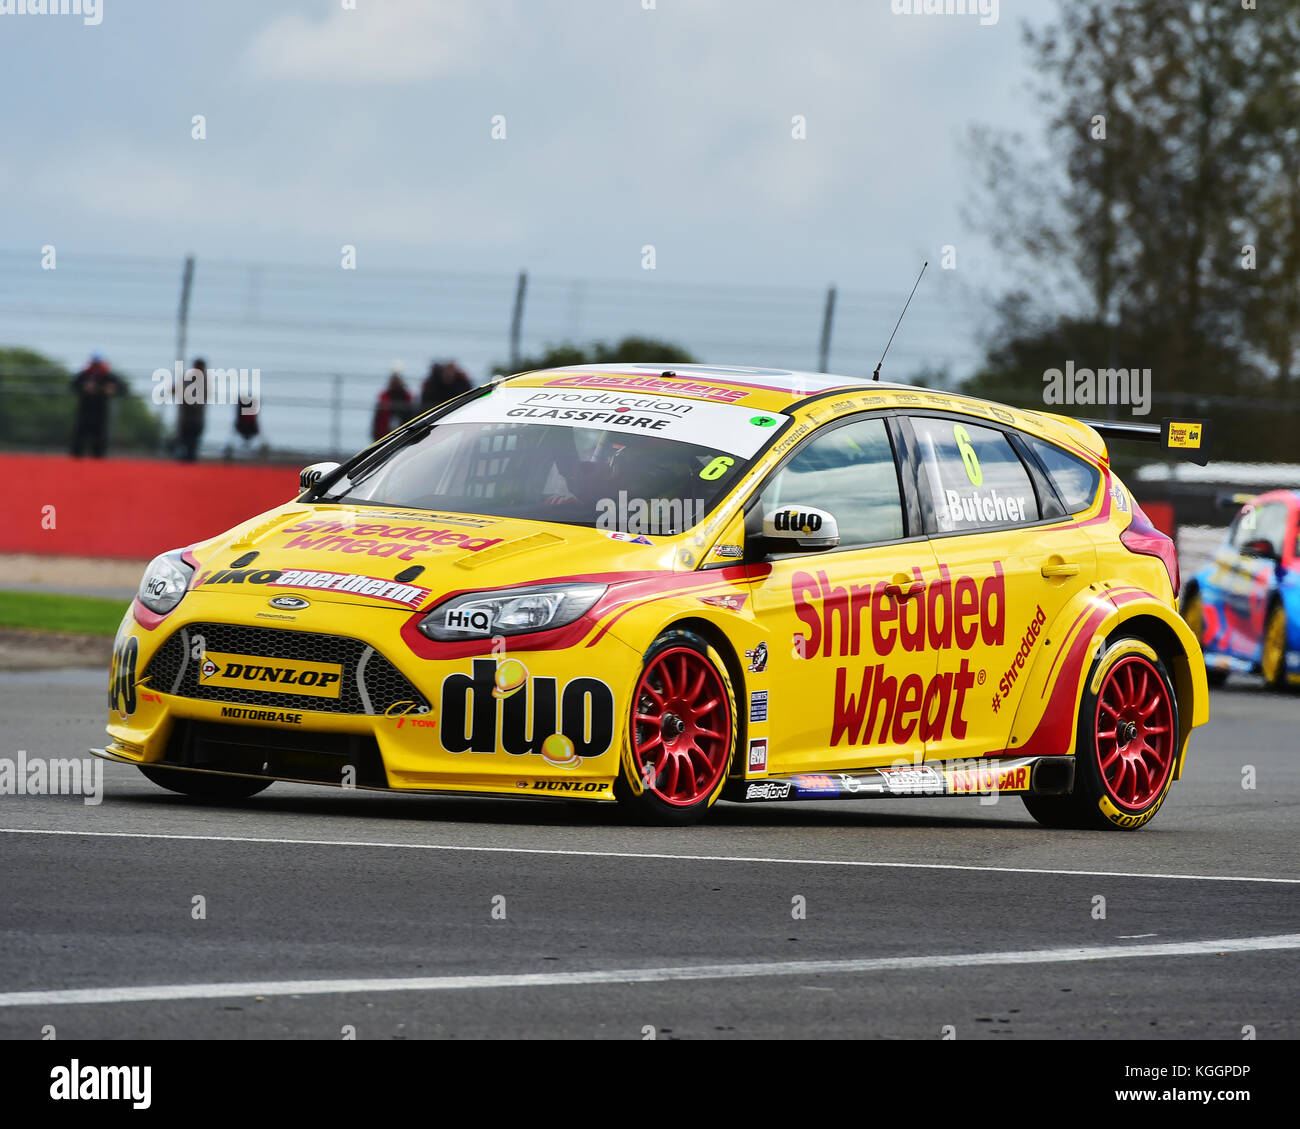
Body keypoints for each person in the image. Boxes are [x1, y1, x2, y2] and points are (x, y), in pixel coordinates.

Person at [69, 353, 121, 457]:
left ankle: (98, 457)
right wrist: (84, 388)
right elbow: (73, 386)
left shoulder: (108, 376)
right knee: (80, 433)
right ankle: (76, 456)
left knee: (100, 435)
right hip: (85, 408)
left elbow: (121, 389)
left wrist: (111, 390)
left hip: (101, 409)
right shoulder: (84, 375)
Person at [175, 357, 207, 461]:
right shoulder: (188, 379)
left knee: (192, 446)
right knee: (185, 443)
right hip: (186, 419)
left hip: (196, 420)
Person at [373, 366, 415, 440]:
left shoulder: (406, 396)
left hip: (403, 433)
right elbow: (378, 420)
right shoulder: (385, 397)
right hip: (385, 433)